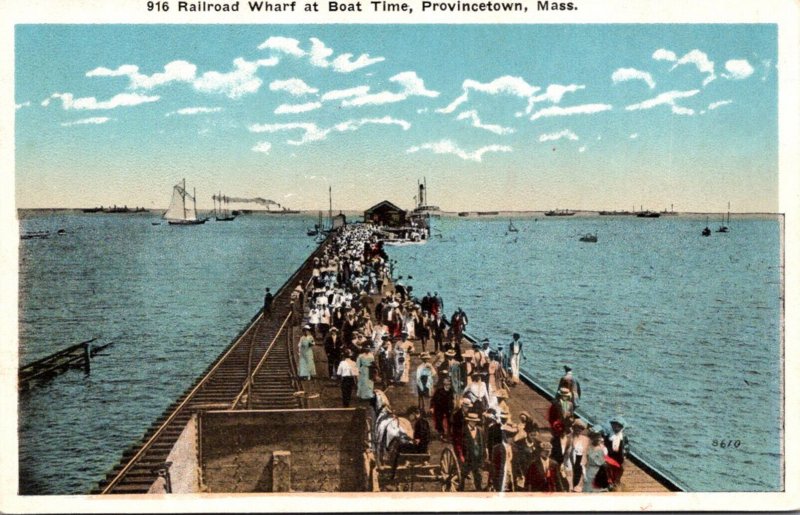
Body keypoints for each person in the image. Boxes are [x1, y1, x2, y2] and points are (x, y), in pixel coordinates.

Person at [460, 412, 485, 491]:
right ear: (468, 421)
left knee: (477, 473)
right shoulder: (463, 430)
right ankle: (461, 488)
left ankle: (478, 488)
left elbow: (483, 443)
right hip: (467, 456)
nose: (473, 422)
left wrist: (483, 453)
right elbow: (460, 444)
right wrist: (462, 456)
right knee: (463, 473)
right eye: (472, 421)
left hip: (477, 456)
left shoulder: (480, 430)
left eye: (475, 421)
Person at [490, 423, 517, 491]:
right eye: (510, 436)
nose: (512, 439)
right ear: (504, 436)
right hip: (501, 477)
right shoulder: (498, 448)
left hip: (510, 474)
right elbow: (494, 466)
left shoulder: (512, 447)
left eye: (513, 436)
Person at [603, 416, 628, 489]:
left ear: (621, 427)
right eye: (613, 425)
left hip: (619, 456)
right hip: (609, 455)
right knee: (606, 465)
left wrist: (625, 457)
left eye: (618, 426)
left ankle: (617, 480)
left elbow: (626, 448)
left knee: (622, 467)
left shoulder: (623, 437)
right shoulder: (608, 435)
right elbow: (604, 445)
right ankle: (609, 481)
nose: (615, 427)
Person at [583, 427, 609, 492]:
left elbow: (601, 462)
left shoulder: (602, 449)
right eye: (593, 436)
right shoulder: (588, 446)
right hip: (589, 471)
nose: (596, 439)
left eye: (597, 436)